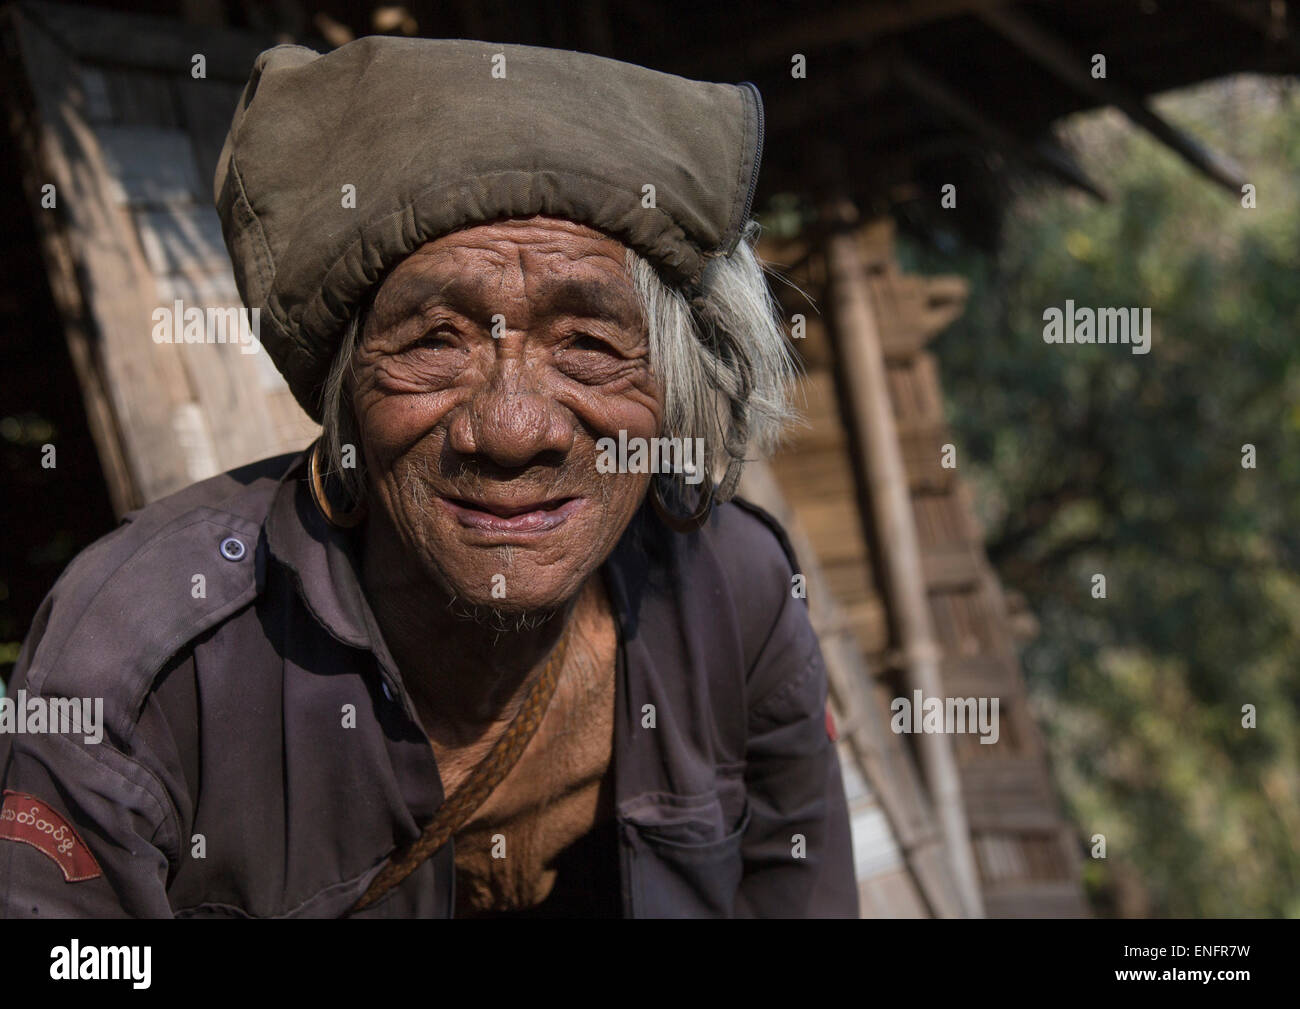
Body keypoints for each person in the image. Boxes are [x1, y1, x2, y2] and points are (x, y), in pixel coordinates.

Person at [0, 36, 857, 918]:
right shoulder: (140, 669)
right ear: (345, 396)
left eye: (591, 345)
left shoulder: (738, 598)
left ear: (677, 392)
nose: (513, 429)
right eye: (435, 340)